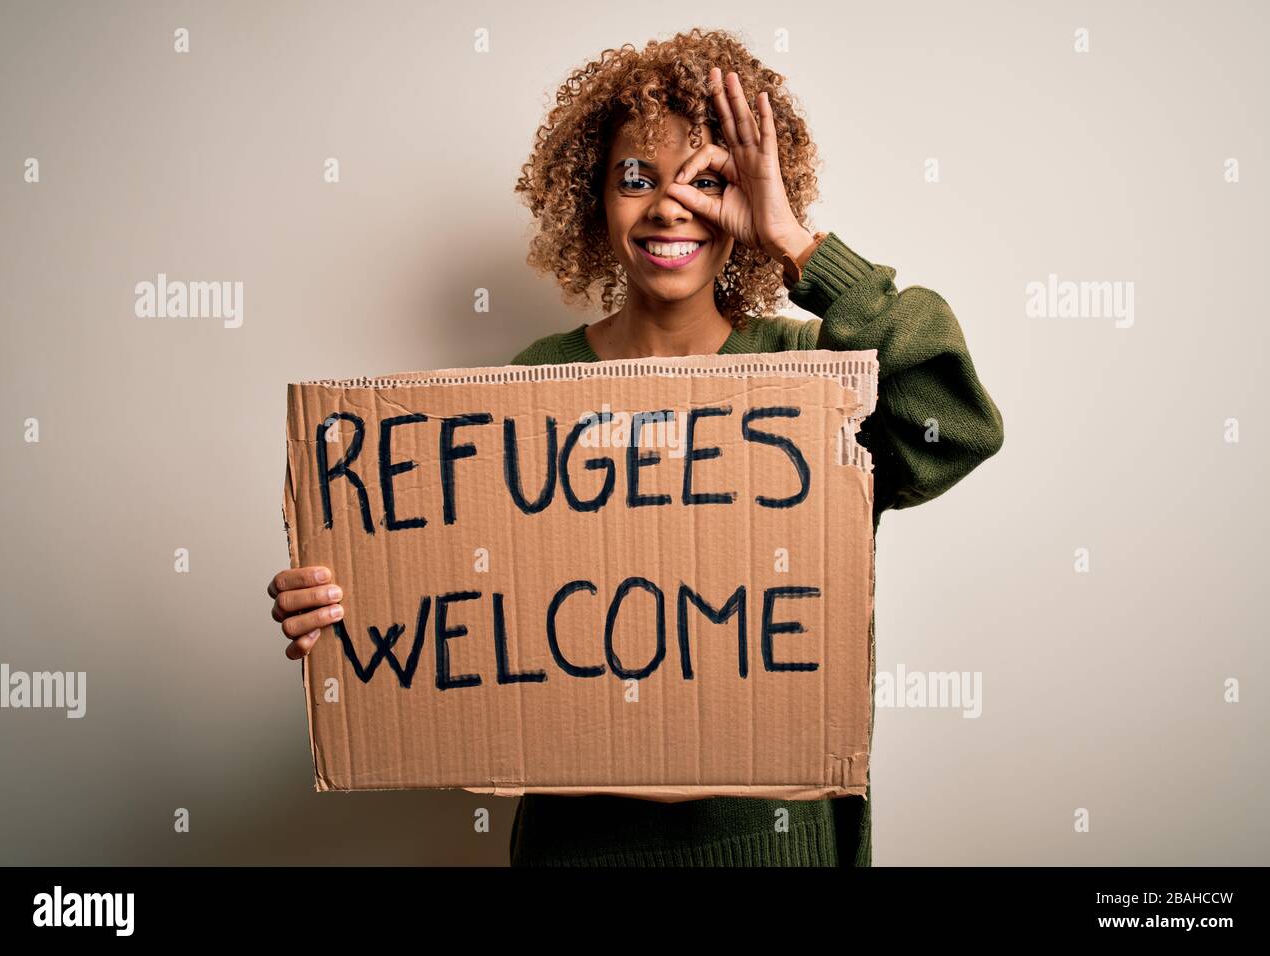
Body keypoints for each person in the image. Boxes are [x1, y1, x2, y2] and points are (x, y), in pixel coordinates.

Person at [267, 27, 1004, 867]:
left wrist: (796, 244)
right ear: (595, 197)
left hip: (770, 847)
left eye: (708, 180)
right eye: (635, 178)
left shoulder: (808, 377)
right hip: (580, 850)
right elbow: (473, 595)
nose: (667, 206)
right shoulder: (534, 383)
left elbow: (956, 424)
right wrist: (348, 600)